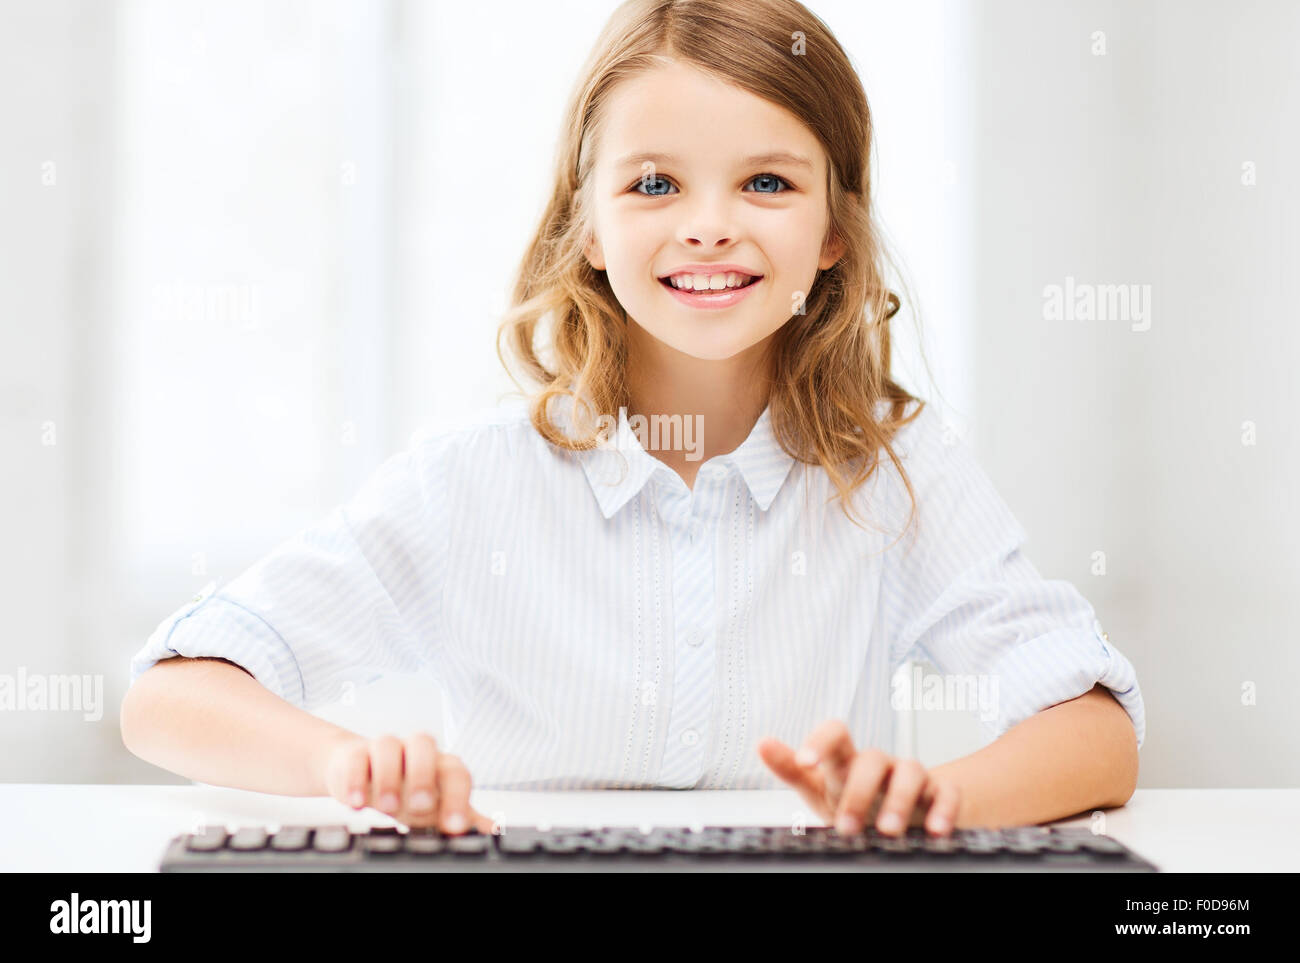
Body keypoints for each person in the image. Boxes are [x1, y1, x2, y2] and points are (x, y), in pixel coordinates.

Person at [121, 0, 1144, 839]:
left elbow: (1095, 731)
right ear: (590, 227)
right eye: (654, 182)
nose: (708, 222)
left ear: (835, 229)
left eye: (766, 182)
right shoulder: (470, 484)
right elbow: (168, 697)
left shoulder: (892, 474)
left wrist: (940, 803)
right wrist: (344, 765)